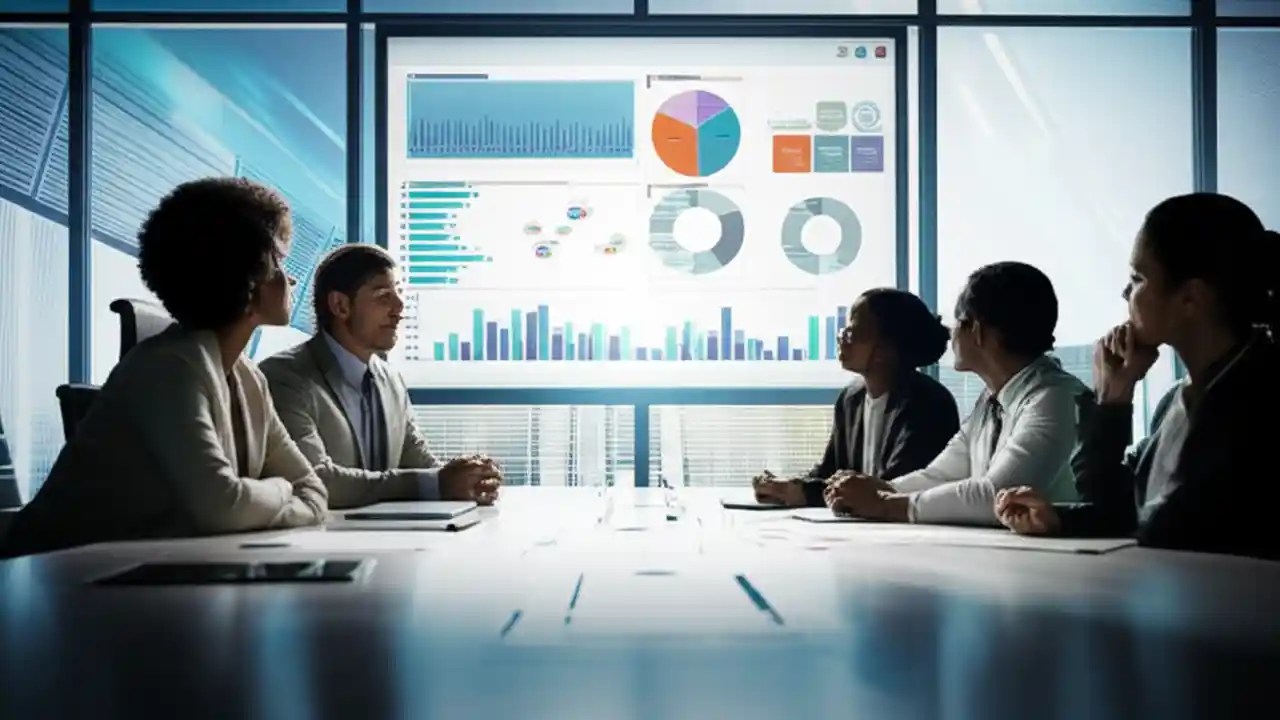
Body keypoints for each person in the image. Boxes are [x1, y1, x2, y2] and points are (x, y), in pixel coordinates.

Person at [4, 178, 328, 557]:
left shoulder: (248, 377)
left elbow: (314, 490)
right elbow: (222, 505)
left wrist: (266, 499)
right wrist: (280, 490)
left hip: (142, 575)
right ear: (249, 274)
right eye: (281, 261)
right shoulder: (167, 368)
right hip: (49, 582)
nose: (290, 279)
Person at [996, 194, 1280, 560]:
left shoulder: (1262, 396)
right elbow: (1124, 509)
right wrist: (1113, 398)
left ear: (1190, 298)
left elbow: (1173, 528)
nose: (1125, 293)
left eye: (1138, 278)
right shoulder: (1180, 399)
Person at [825, 261, 1093, 525]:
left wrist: (883, 504)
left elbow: (996, 494)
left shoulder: (1053, 398)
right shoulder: (991, 402)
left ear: (977, 331)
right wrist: (881, 491)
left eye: (959, 322)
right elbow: (941, 475)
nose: (951, 334)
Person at [260, 244, 502, 509]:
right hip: (317, 543)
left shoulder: (390, 380)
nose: (399, 308)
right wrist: (437, 483)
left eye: (398, 293)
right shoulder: (284, 378)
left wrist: (467, 479)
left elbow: (418, 462)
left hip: (388, 543)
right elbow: (314, 479)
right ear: (340, 305)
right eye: (383, 296)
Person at [752, 288, 958, 507]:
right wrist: (787, 487)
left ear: (884, 349)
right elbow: (830, 470)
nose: (842, 337)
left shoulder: (929, 404)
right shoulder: (851, 399)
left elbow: (891, 488)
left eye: (853, 332)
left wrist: (806, 493)